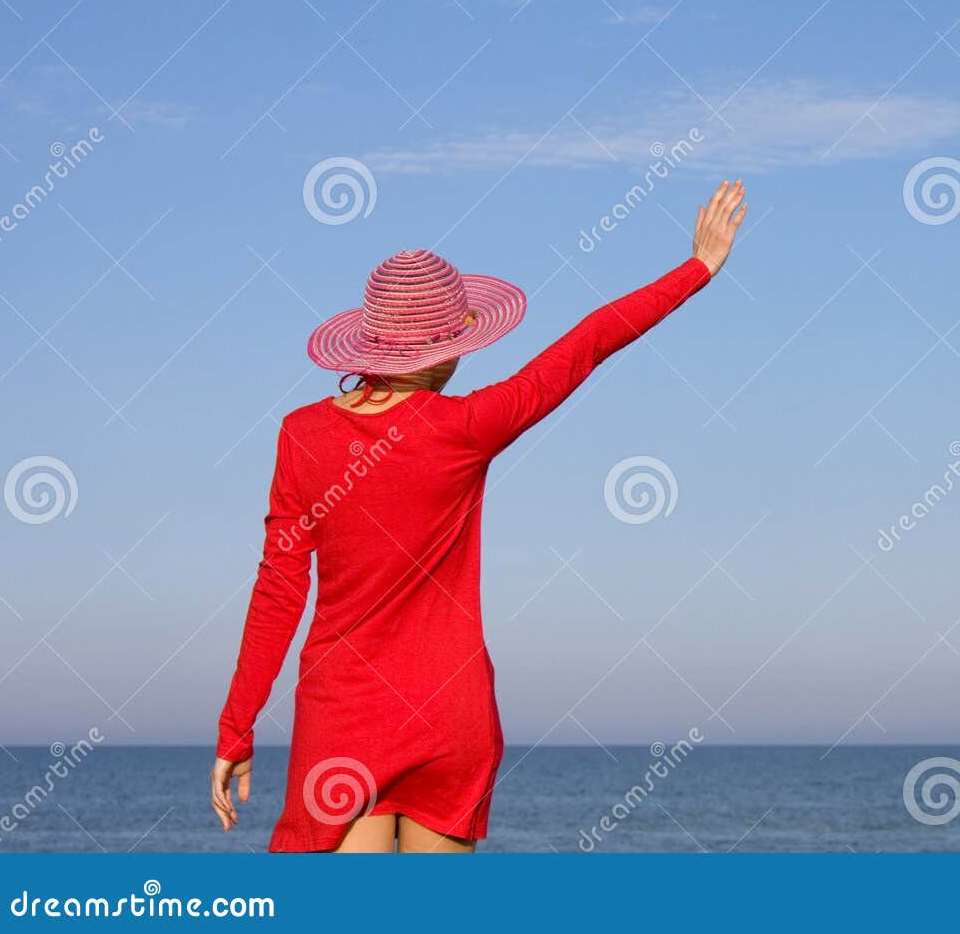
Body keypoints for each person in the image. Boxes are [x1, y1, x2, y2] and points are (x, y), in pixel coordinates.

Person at [210, 180, 747, 852]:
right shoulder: (467, 426)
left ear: (372, 343)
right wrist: (697, 267)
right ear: (453, 343)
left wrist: (237, 727)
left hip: (345, 719)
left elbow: (278, 591)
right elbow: (588, 342)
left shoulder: (302, 436)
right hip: (448, 716)